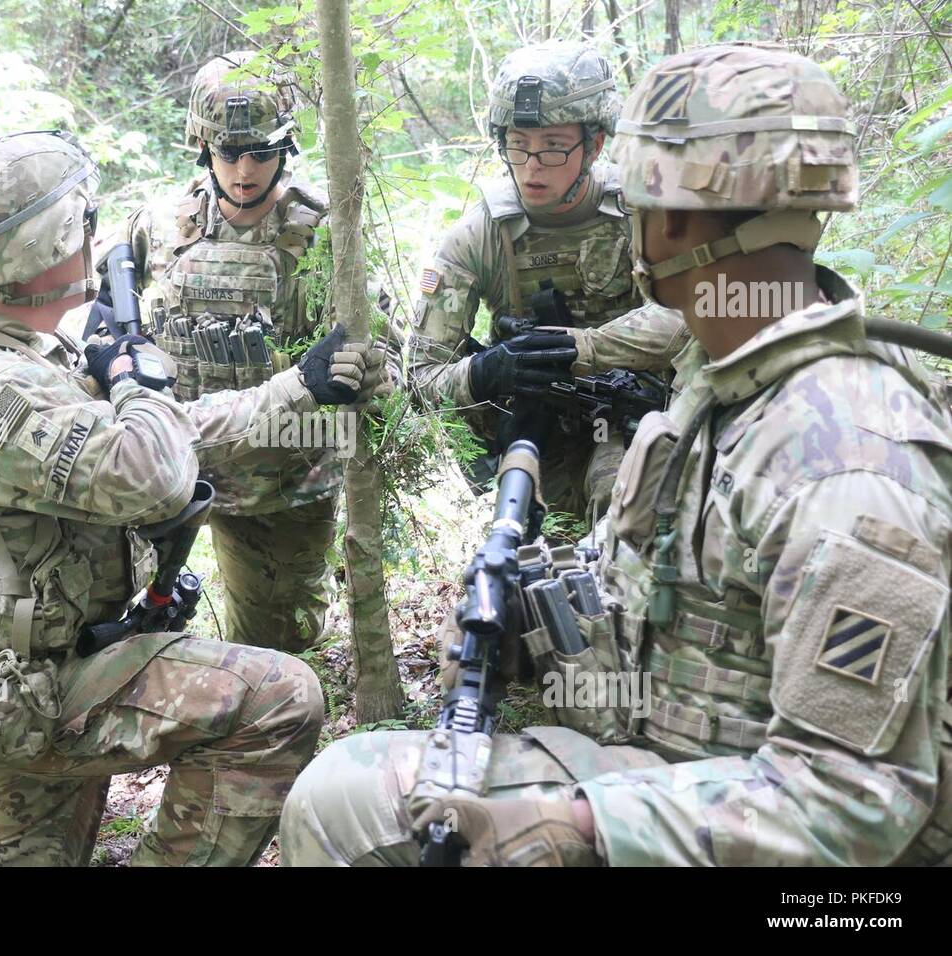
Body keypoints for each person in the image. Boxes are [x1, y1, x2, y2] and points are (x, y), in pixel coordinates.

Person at [279, 44, 952, 867]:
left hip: (774, 837)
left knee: (339, 801)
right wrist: (525, 625)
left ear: (661, 220)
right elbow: (668, 611)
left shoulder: (847, 456)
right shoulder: (730, 384)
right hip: (692, 764)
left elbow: (857, 800)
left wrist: (587, 823)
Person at [0, 129, 385, 866]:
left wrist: (295, 390)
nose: (93, 238)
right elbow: (149, 467)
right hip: (32, 690)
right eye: (82, 224)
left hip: (41, 666)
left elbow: (169, 435)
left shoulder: (26, 356)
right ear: (46, 245)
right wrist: (133, 377)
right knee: (282, 697)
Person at [99, 50, 351, 653]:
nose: (244, 169)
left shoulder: (322, 232)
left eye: (261, 153)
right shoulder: (159, 223)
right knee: (109, 629)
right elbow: (102, 315)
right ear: (203, 147)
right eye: (228, 152)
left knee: (278, 650)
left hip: (281, 478)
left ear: (285, 150)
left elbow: (377, 349)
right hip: (168, 464)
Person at [403, 40, 686, 517]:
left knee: (621, 499)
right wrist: (488, 369)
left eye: (553, 149)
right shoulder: (480, 238)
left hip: (639, 419)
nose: (531, 168)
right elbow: (421, 379)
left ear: (594, 146)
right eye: (517, 146)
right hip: (541, 433)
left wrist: (591, 349)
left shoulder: (643, 213)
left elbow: (696, 315)